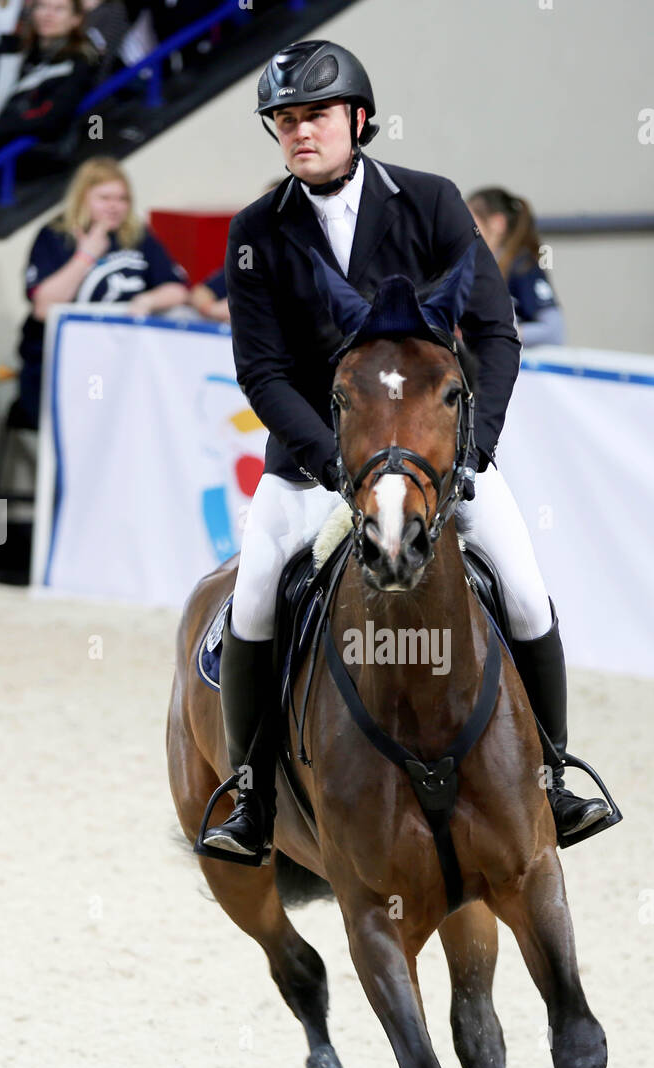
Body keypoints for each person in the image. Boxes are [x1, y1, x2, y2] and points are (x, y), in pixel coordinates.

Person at [201, 39, 612, 864]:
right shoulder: (257, 232)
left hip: (435, 463)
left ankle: (555, 777)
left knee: (524, 589)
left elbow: (495, 331)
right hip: (317, 465)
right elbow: (263, 370)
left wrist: (474, 447)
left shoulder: (429, 204)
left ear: (357, 118)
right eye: (284, 120)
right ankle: (252, 796)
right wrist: (337, 468)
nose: (299, 132)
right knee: (252, 600)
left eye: (315, 115)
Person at [16, 154, 189, 427]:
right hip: (61, 366)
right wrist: (86, 256)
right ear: (83, 197)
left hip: (125, 363)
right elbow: (43, 306)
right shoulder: (54, 236)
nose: (115, 206)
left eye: (122, 199)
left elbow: (177, 290)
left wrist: (148, 299)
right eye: (105, 198)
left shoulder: (136, 235)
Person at [0, 0, 97, 170]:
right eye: (42, 6)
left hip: (28, 159)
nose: (48, 14)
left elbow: (49, 117)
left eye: (59, 9)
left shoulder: (80, 63)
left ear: (76, 19)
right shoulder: (10, 47)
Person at [467, 186, 565, 347]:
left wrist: (498, 334)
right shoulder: (477, 267)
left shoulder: (522, 267)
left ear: (497, 223)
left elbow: (554, 331)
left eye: (470, 220)